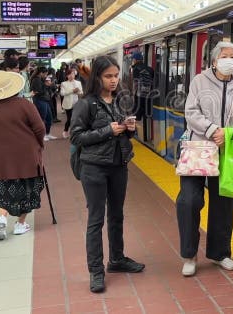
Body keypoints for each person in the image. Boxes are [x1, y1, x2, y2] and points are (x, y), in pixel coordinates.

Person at [177, 41, 233, 277]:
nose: (229, 59)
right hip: (198, 147)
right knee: (189, 201)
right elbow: (191, 112)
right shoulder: (199, 82)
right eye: (224, 55)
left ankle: (220, 253)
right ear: (214, 60)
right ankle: (189, 255)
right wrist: (213, 130)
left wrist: (230, 132)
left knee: (223, 205)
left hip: (227, 151)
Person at [70, 55, 144, 293]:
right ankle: (96, 271)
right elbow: (76, 137)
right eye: (108, 76)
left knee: (117, 215)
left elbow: (123, 134)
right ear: (97, 77)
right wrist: (106, 131)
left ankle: (117, 259)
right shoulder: (86, 103)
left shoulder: (121, 101)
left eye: (116, 76)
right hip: (94, 167)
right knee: (96, 219)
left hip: (118, 165)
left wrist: (129, 130)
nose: (113, 81)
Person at [0, 71, 46, 240]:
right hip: (26, 155)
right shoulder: (24, 104)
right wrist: (39, 143)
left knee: (3, 190)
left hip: (0, 158)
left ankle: (2, 218)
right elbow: (40, 127)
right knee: (28, 190)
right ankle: (20, 224)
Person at [130, 52, 154, 128]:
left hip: (139, 95)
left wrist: (133, 95)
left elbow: (135, 83)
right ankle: (146, 129)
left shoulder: (135, 69)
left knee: (136, 114)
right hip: (149, 95)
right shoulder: (150, 69)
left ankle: (136, 130)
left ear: (135, 60)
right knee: (147, 114)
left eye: (133, 59)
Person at [30, 67, 55, 141]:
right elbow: (38, 92)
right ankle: (42, 135)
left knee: (49, 118)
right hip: (39, 100)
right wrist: (47, 86)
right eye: (45, 74)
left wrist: (48, 85)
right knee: (42, 119)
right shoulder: (36, 80)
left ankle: (47, 133)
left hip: (45, 100)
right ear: (41, 73)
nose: (46, 75)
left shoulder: (41, 79)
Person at [59, 69, 83, 138]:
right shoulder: (64, 83)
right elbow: (62, 93)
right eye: (69, 74)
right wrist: (72, 91)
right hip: (68, 104)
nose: (71, 76)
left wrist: (78, 92)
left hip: (76, 103)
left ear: (75, 75)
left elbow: (81, 92)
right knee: (70, 119)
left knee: (76, 119)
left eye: (72, 74)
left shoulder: (78, 83)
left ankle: (73, 133)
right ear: (67, 75)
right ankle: (65, 131)